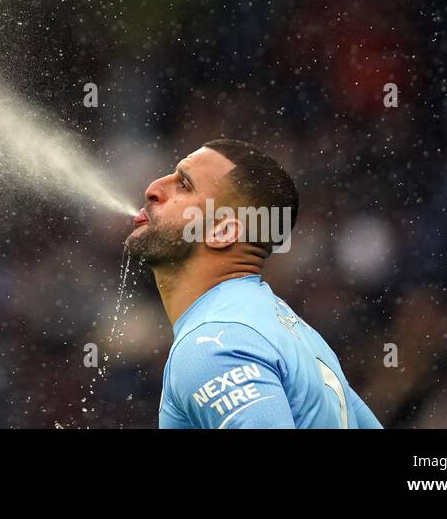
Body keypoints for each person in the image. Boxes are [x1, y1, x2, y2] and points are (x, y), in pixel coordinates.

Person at [125, 138, 382, 428]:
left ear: (222, 231)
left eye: (184, 185)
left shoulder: (215, 344)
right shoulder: (297, 335)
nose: (153, 189)